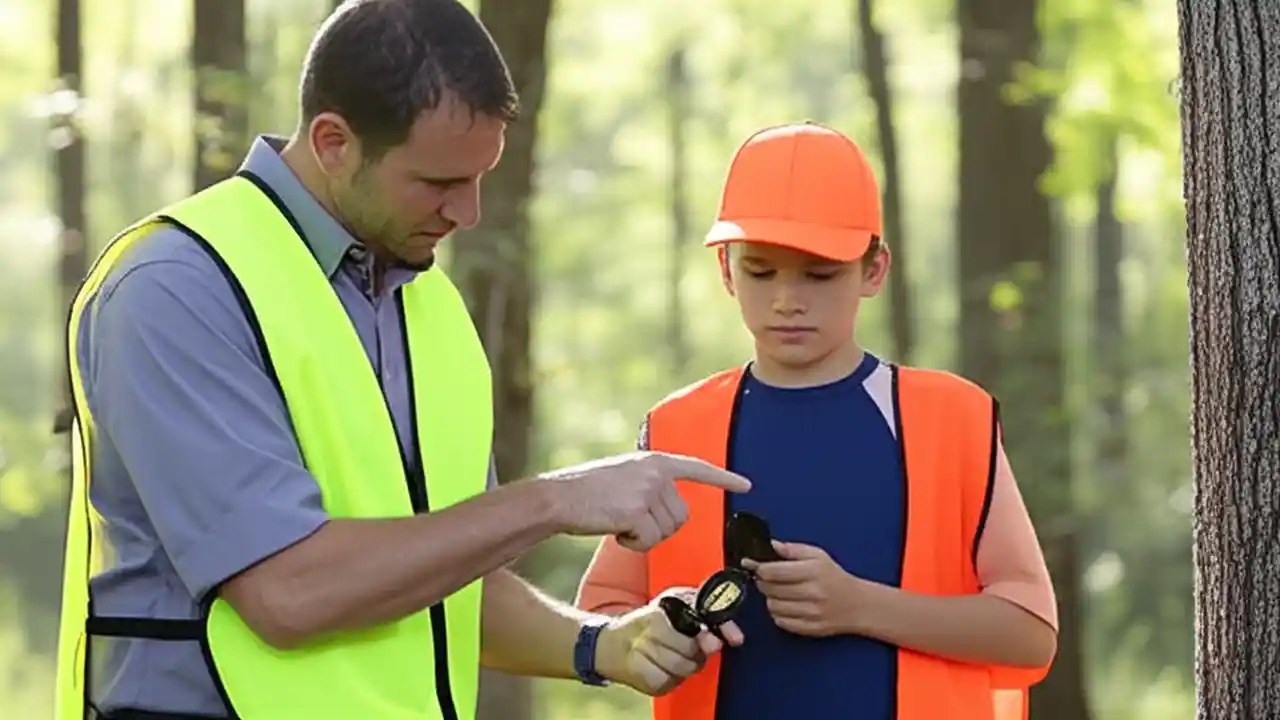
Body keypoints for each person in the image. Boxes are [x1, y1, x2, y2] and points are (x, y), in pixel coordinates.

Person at [53, 2, 751, 718]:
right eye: (439, 182)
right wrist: (554, 499)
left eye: (481, 177)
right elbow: (289, 592)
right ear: (333, 142)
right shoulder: (176, 288)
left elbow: (442, 571)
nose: (468, 212)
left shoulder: (430, 308)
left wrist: (602, 644)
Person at [574, 121, 1059, 720]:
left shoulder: (950, 419)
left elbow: (1031, 633)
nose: (787, 299)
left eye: (819, 273)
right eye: (760, 270)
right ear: (727, 271)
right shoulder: (677, 429)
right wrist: (656, 635)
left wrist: (859, 605)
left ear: (873, 270)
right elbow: (603, 610)